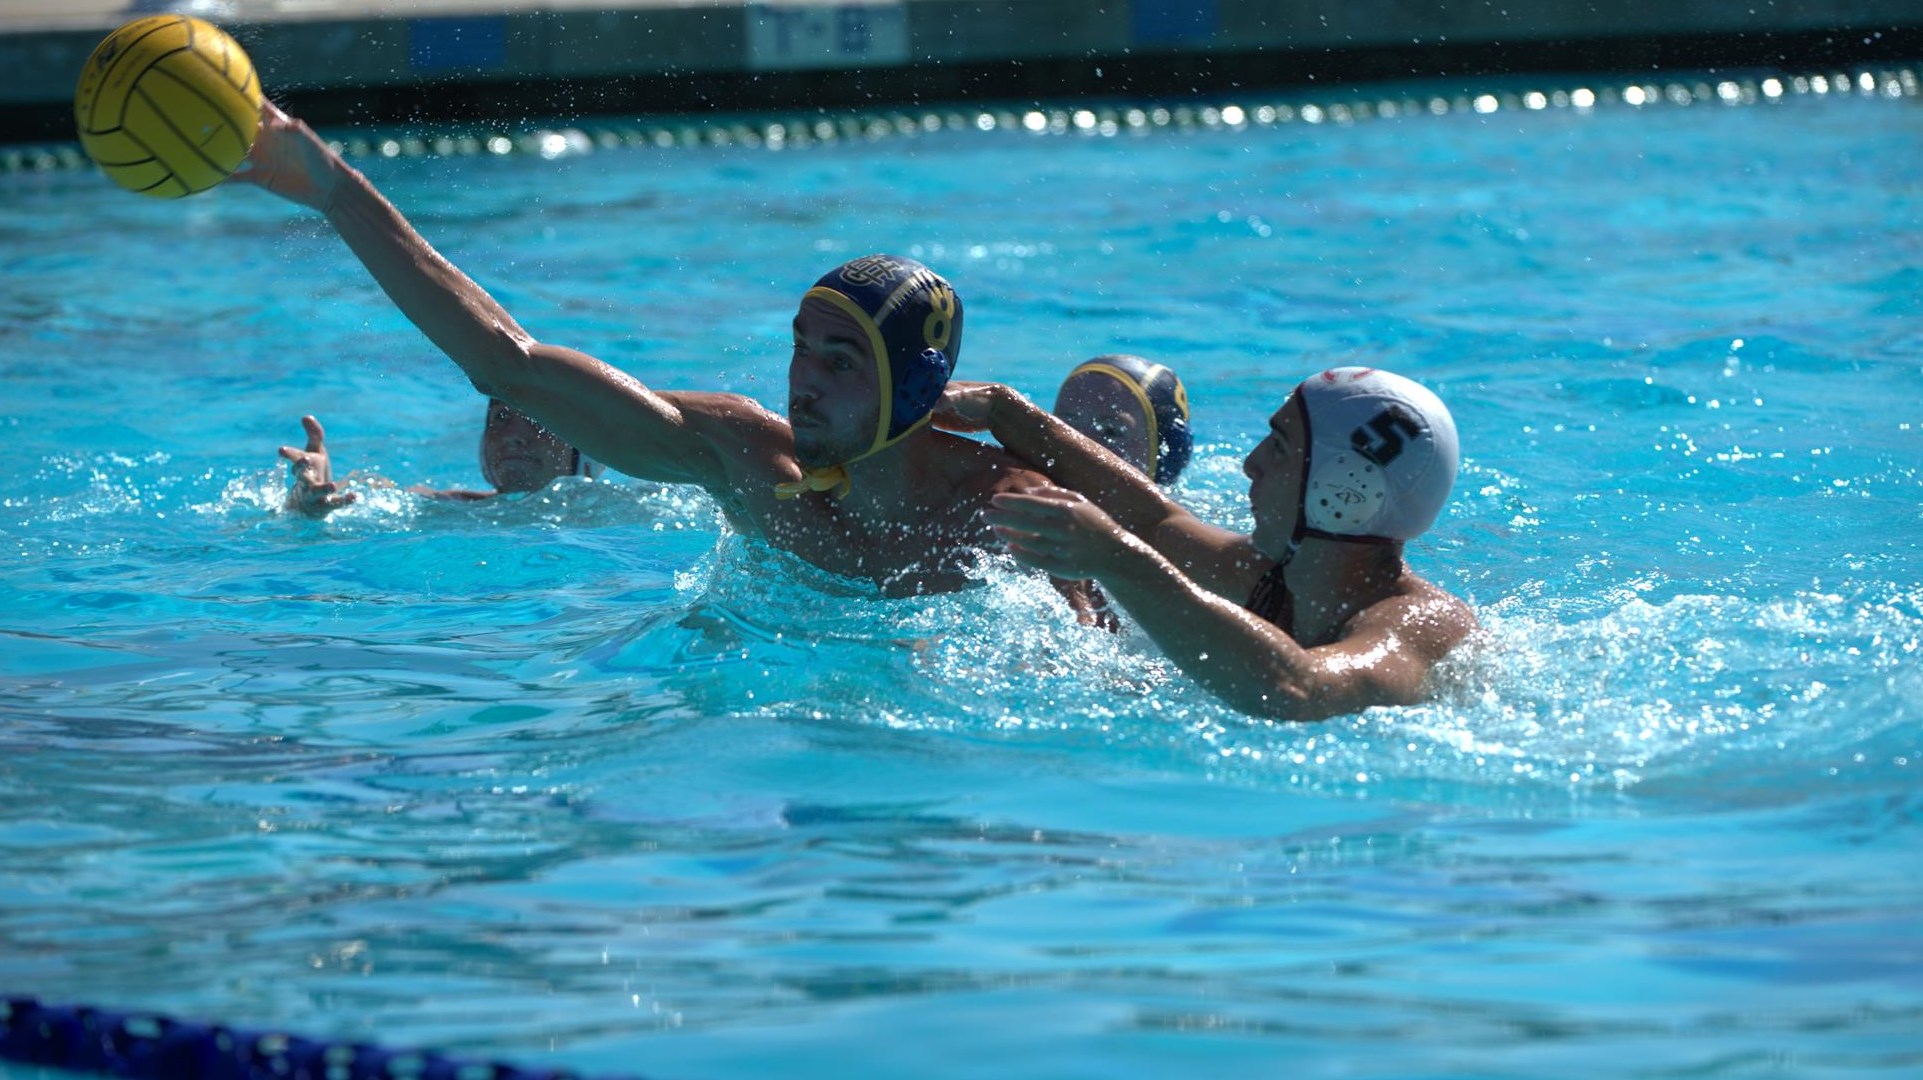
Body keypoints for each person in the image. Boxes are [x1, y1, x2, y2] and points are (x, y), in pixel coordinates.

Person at [231, 102, 1047, 595]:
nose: (802, 382)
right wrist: (334, 190)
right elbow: (505, 363)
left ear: (911, 387)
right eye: (800, 349)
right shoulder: (747, 460)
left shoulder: (1006, 515)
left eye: (840, 362)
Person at [939, 367, 1476, 721]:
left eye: (1281, 448)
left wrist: (1118, 560)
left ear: (1343, 490)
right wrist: (1002, 410)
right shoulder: (1281, 577)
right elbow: (1152, 517)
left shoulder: (1417, 627)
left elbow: (1298, 690)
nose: (1252, 463)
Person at [1048, 355, 1192, 626]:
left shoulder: (1184, 547)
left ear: (1162, 455)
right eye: (1065, 424)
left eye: (1112, 431)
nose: (1079, 443)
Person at [278, 399, 599, 517]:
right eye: (501, 417)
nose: (513, 434)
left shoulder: (617, 513)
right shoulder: (443, 508)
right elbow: (362, 504)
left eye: (540, 420)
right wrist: (307, 505)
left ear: (584, 449)